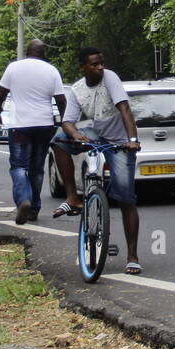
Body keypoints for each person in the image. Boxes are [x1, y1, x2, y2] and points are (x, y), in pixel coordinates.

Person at [51, 47, 144, 274]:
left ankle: (132, 256)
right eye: (94, 64)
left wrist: (132, 139)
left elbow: (125, 109)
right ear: (83, 67)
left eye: (101, 62)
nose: (100, 67)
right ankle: (73, 198)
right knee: (58, 140)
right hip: (97, 133)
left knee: (125, 197)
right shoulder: (77, 90)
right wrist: (75, 135)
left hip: (120, 140)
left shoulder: (110, 78)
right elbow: (68, 121)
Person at [0, 39, 67, 224]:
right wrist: (66, 122)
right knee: (37, 170)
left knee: (19, 167)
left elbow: (1, 93)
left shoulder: (13, 68)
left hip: (20, 125)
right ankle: (34, 208)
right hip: (44, 125)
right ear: (43, 53)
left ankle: (23, 201)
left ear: (28, 51)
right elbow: (61, 100)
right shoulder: (52, 71)